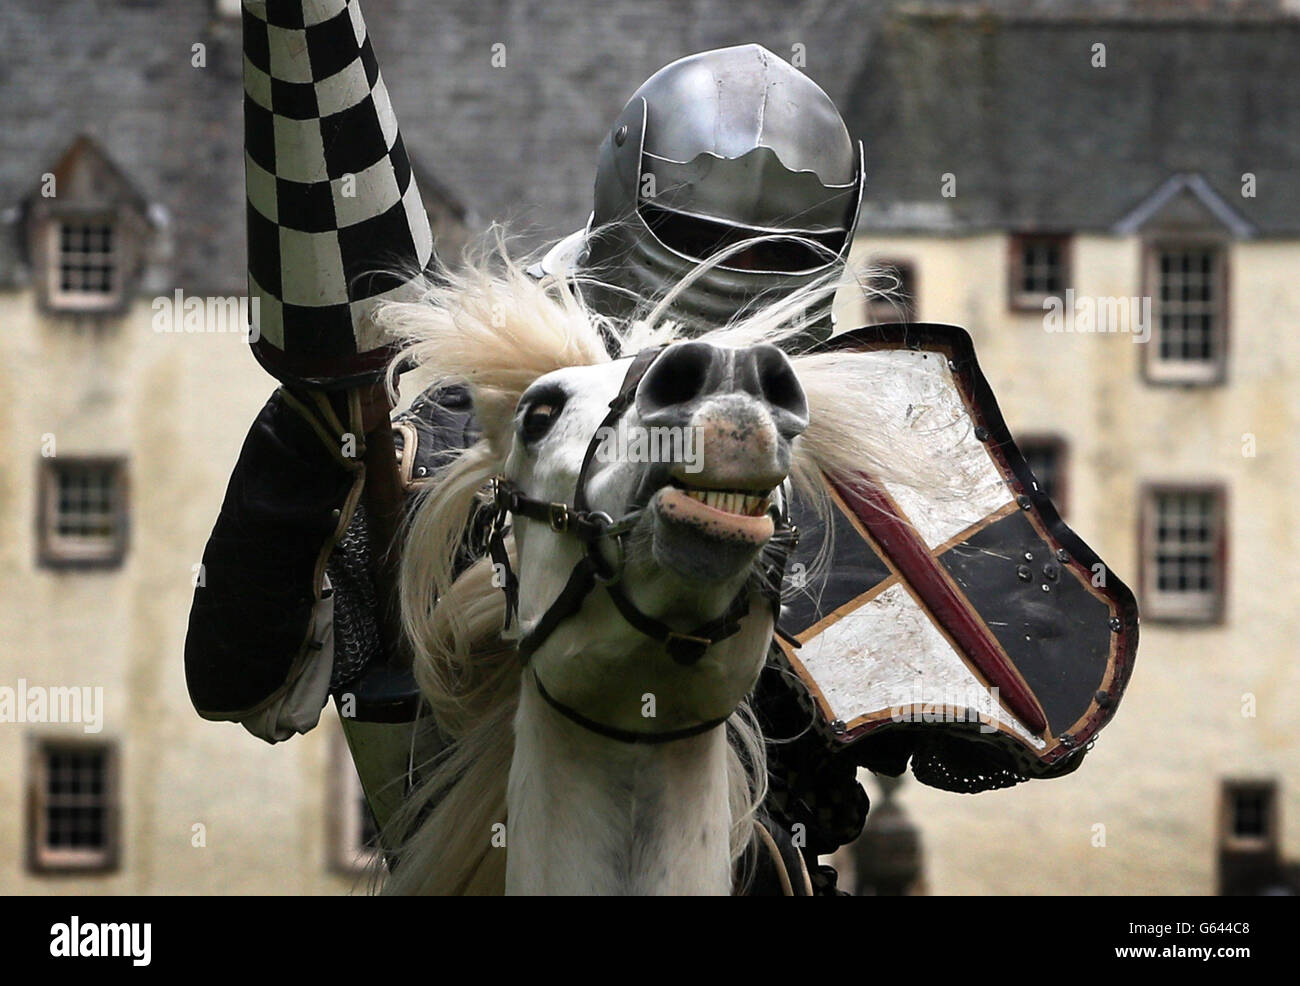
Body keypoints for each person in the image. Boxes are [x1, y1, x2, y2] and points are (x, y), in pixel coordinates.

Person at [187, 14, 871, 895]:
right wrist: (320, 433)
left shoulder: (828, 448)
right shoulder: (438, 420)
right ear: (630, 204)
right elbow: (242, 679)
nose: (735, 273)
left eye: (781, 253)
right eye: (695, 237)